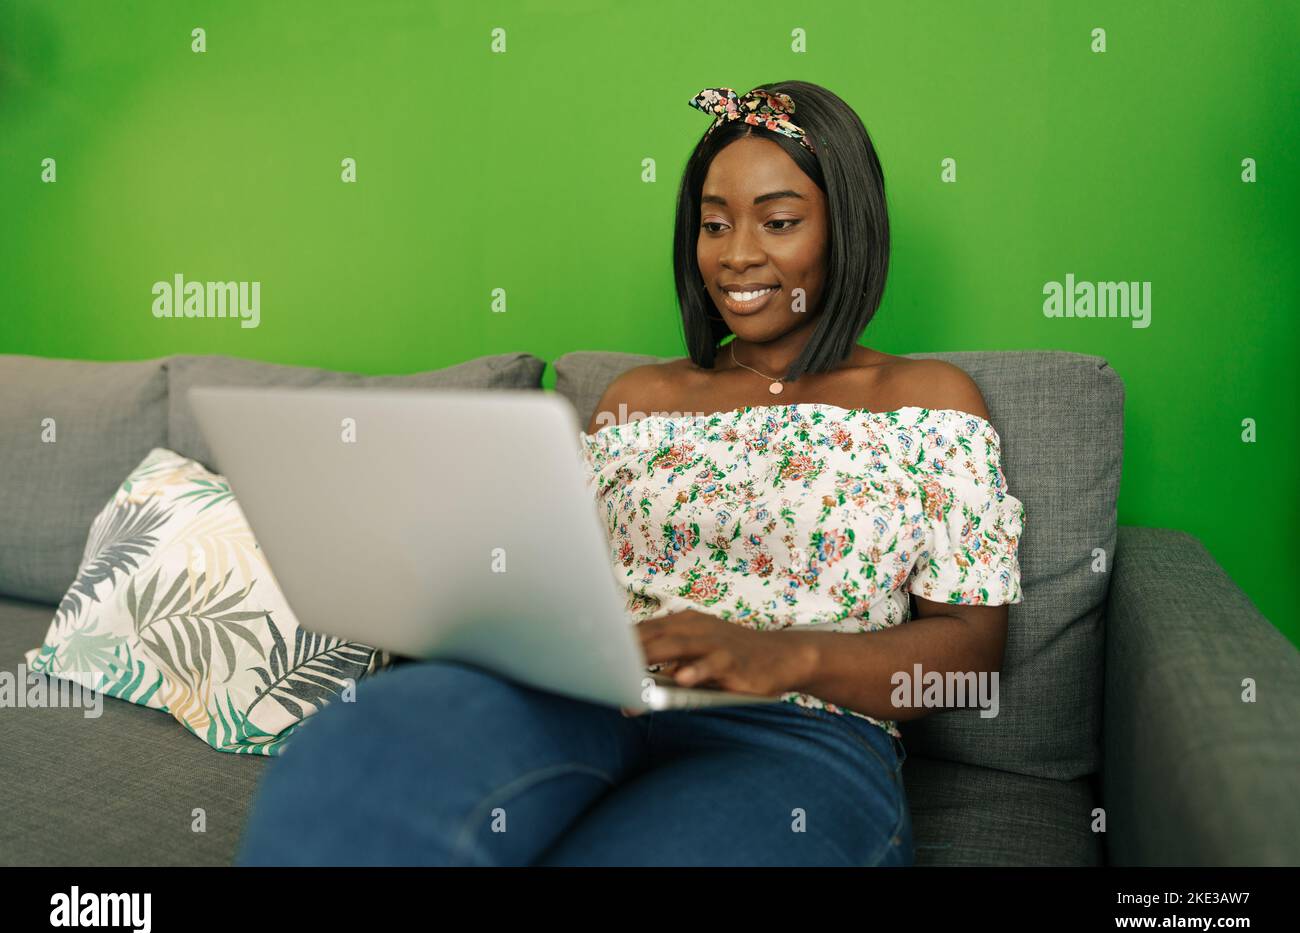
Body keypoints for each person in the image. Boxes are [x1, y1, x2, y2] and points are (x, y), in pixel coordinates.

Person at [236, 81, 1025, 866]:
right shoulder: (634, 398)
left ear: (847, 229)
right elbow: (554, 578)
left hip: (796, 736)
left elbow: (969, 661)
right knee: (354, 757)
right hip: (583, 702)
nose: (737, 254)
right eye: (713, 224)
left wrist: (783, 654)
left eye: (778, 221)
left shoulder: (926, 404)